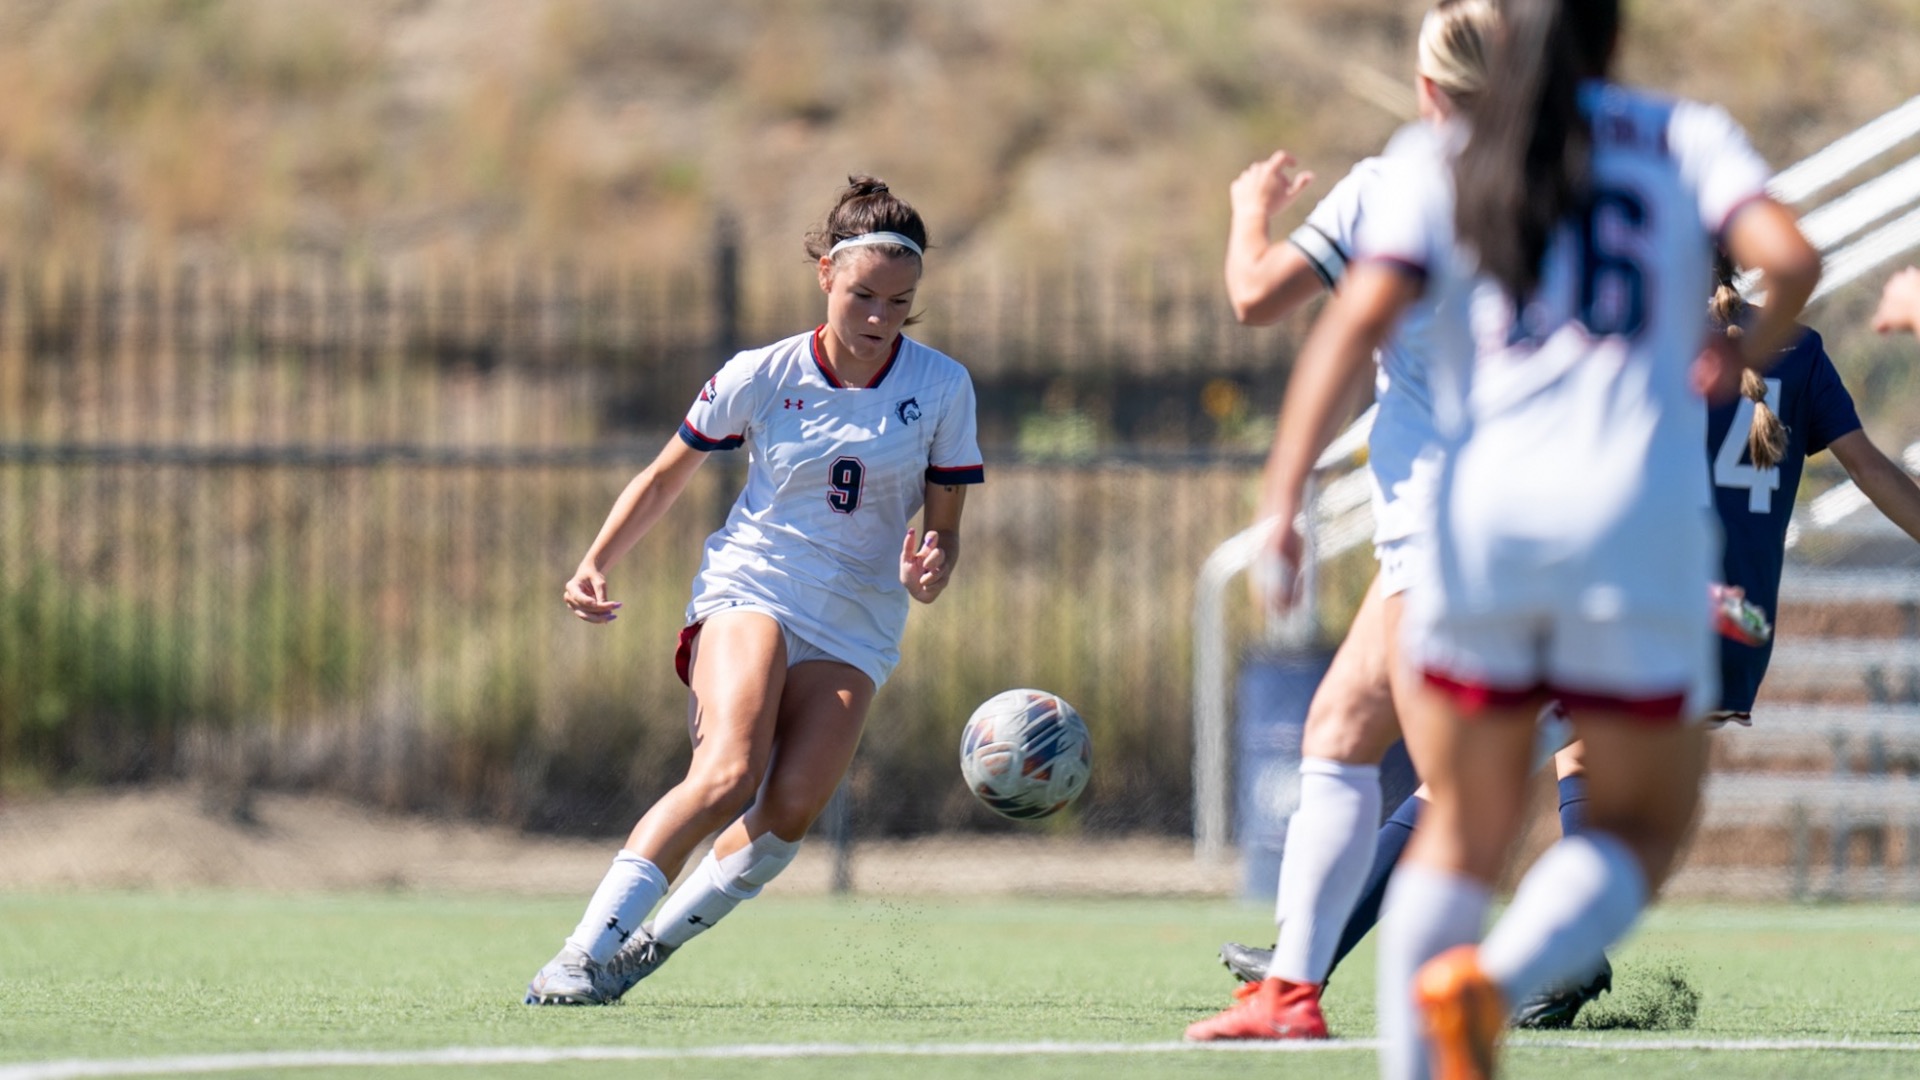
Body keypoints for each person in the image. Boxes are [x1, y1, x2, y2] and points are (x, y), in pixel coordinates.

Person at [1247, 0, 1823, 1075]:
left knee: (1461, 827)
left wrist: (1282, 500)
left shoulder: (1437, 158)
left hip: (1479, 525)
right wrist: (1745, 347)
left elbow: (1352, 322)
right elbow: (1789, 259)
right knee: (1639, 829)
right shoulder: (1683, 133)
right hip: (1631, 524)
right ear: (1614, 35)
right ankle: (1499, 984)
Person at [1216, 253, 1920, 1031]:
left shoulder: (1637, 344)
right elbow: (1872, 470)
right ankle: (1574, 956)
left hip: (1643, 611)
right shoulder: (1798, 347)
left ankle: (1301, 970)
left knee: (1454, 784)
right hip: (1732, 629)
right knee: (1576, 755)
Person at [523, 176, 985, 1005]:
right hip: (756, 584)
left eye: (900, 302)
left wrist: (932, 566)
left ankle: (641, 953)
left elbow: (942, 532)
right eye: (864, 296)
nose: (881, 318)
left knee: (787, 820)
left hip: (857, 622)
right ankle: (578, 952)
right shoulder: (762, 373)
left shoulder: (943, 387)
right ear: (824, 276)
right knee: (729, 772)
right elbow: (666, 478)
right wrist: (596, 558)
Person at [1184, 0, 1501, 1043]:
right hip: (1553, 508)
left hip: (1450, 524)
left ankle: (1486, 982)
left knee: (1452, 783)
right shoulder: (1582, 189)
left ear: (1423, 88)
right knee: (1341, 730)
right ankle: (1290, 991)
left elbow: (1256, 297)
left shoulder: (1395, 186)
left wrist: (1248, 208)